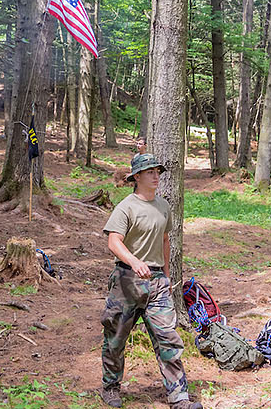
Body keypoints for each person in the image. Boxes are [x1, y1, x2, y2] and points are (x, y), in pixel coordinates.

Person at [98, 154, 200, 409]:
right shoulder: (126, 207)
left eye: (158, 171)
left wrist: (166, 275)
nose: (156, 176)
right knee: (116, 338)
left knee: (168, 338)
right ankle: (110, 387)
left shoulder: (163, 206)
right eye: (150, 172)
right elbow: (113, 241)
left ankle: (179, 397)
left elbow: (165, 240)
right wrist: (134, 262)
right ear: (137, 177)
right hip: (127, 282)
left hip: (157, 284)